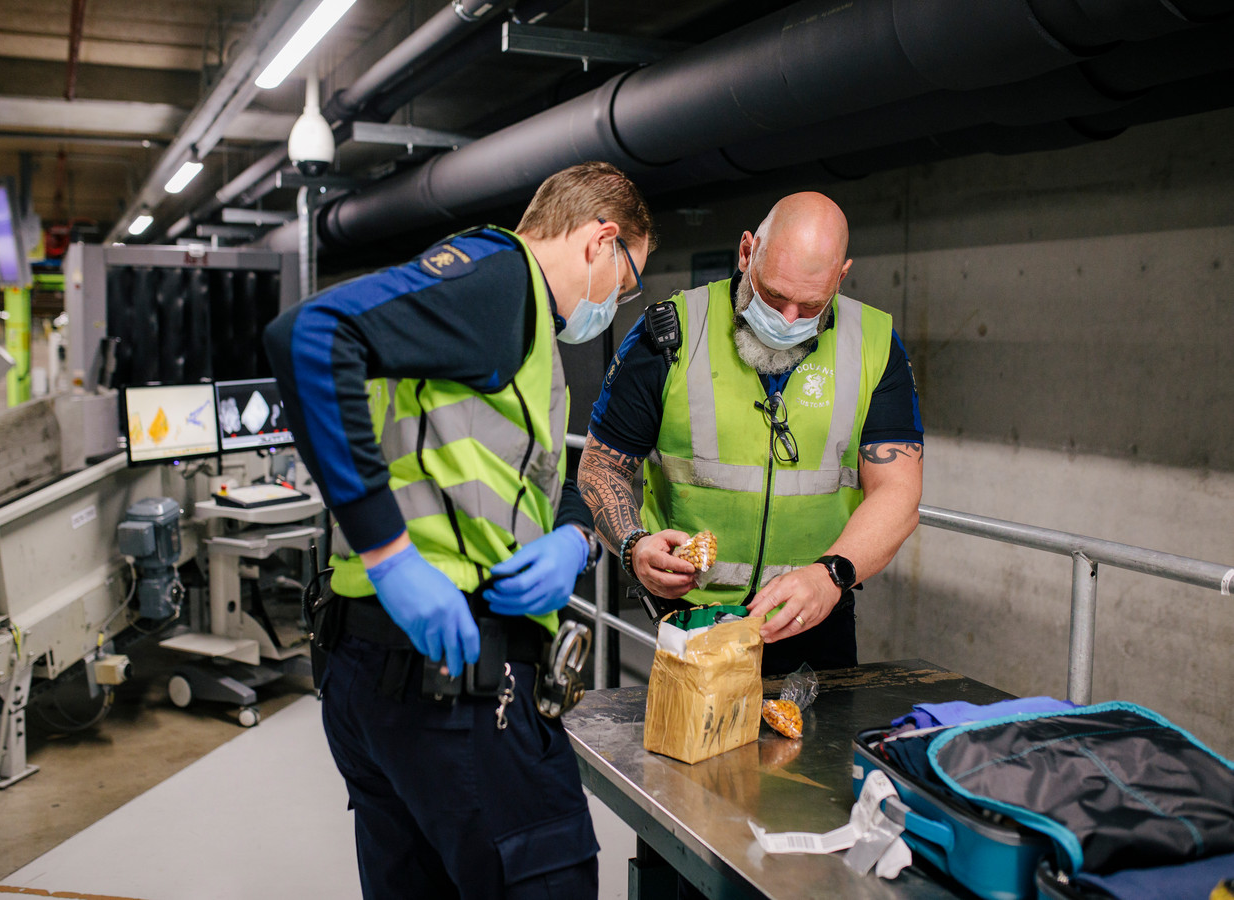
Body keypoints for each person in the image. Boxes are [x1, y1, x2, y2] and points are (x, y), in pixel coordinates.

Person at [262, 161, 654, 900]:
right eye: (627, 280)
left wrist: (574, 536)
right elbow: (308, 334)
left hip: (378, 674)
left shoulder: (517, 321)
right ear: (600, 241)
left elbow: (529, 476)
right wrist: (389, 553)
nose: (616, 301)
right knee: (549, 877)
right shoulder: (501, 281)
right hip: (452, 681)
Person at [577, 191, 923, 677]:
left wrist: (832, 575)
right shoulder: (669, 334)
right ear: (746, 252)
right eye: (775, 295)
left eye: (810, 306)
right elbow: (600, 465)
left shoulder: (875, 347)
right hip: (692, 622)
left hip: (815, 618)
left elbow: (898, 492)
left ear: (840, 277)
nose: (787, 320)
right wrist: (634, 546)